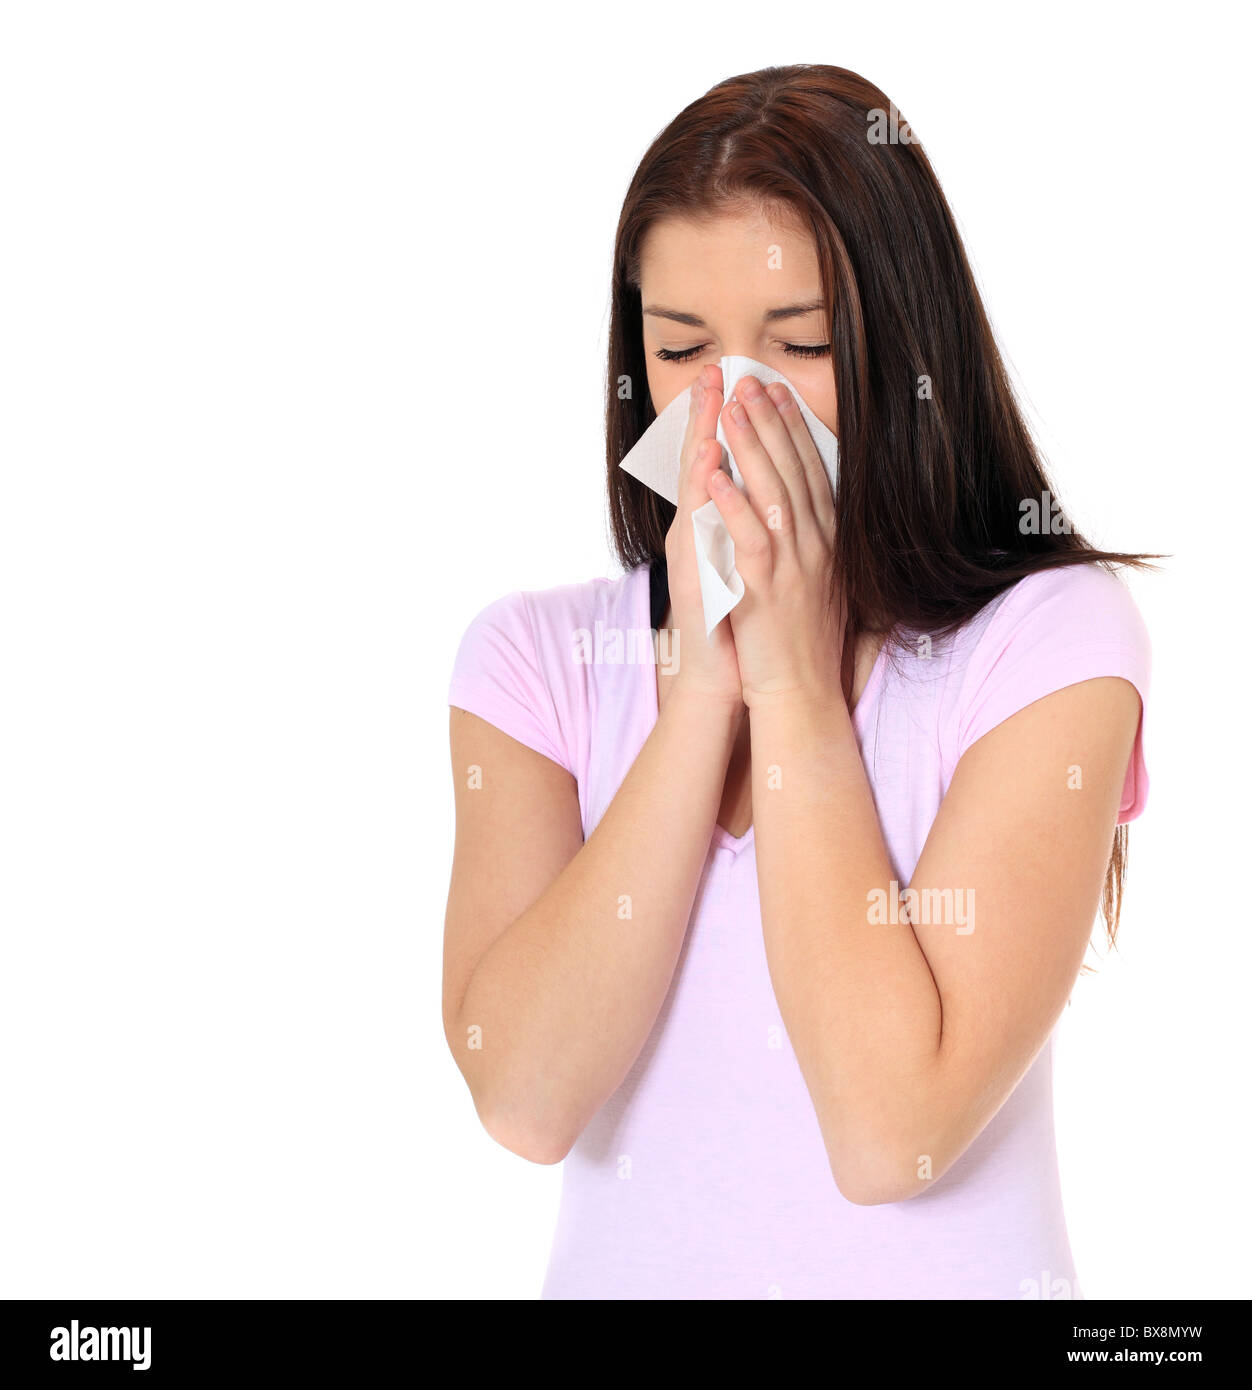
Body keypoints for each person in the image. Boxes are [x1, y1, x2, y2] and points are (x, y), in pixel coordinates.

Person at [442, 64, 1155, 1300]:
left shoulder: (1047, 641)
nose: (733, 401)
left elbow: (891, 1134)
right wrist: (705, 689)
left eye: (803, 344)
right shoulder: (533, 660)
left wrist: (795, 687)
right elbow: (522, 1096)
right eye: (681, 348)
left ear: (905, 339)